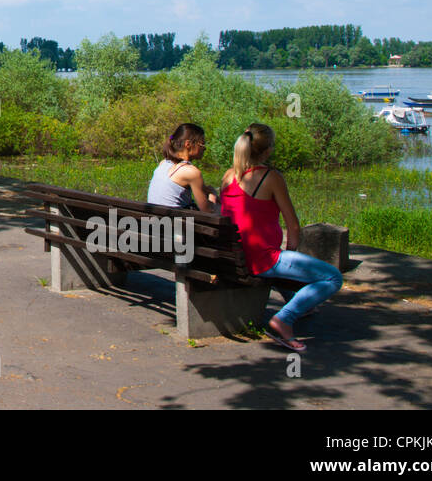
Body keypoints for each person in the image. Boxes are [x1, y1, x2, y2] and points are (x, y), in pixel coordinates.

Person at [219, 123, 342, 353]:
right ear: (266, 151)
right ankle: (284, 319)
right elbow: (293, 226)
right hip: (262, 259)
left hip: (235, 256)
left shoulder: (228, 176)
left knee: (286, 265)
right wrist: (290, 252)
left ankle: (299, 303)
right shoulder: (271, 177)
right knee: (332, 277)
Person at [146, 123, 216, 211]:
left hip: (154, 222)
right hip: (174, 224)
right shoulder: (191, 172)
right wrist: (213, 195)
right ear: (188, 144)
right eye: (202, 144)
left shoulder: (163, 163)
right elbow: (208, 212)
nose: (204, 148)